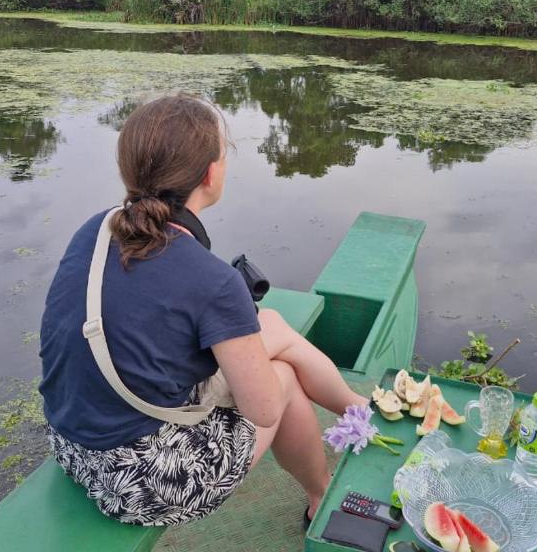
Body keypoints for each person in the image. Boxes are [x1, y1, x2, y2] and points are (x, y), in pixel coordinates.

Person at [39, 93, 367, 526]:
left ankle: (357, 411)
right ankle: (326, 486)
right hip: (141, 483)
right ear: (212, 174)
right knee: (283, 379)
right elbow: (264, 410)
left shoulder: (95, 231)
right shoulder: (215, 280)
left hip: (69, 445)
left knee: (269, 324)